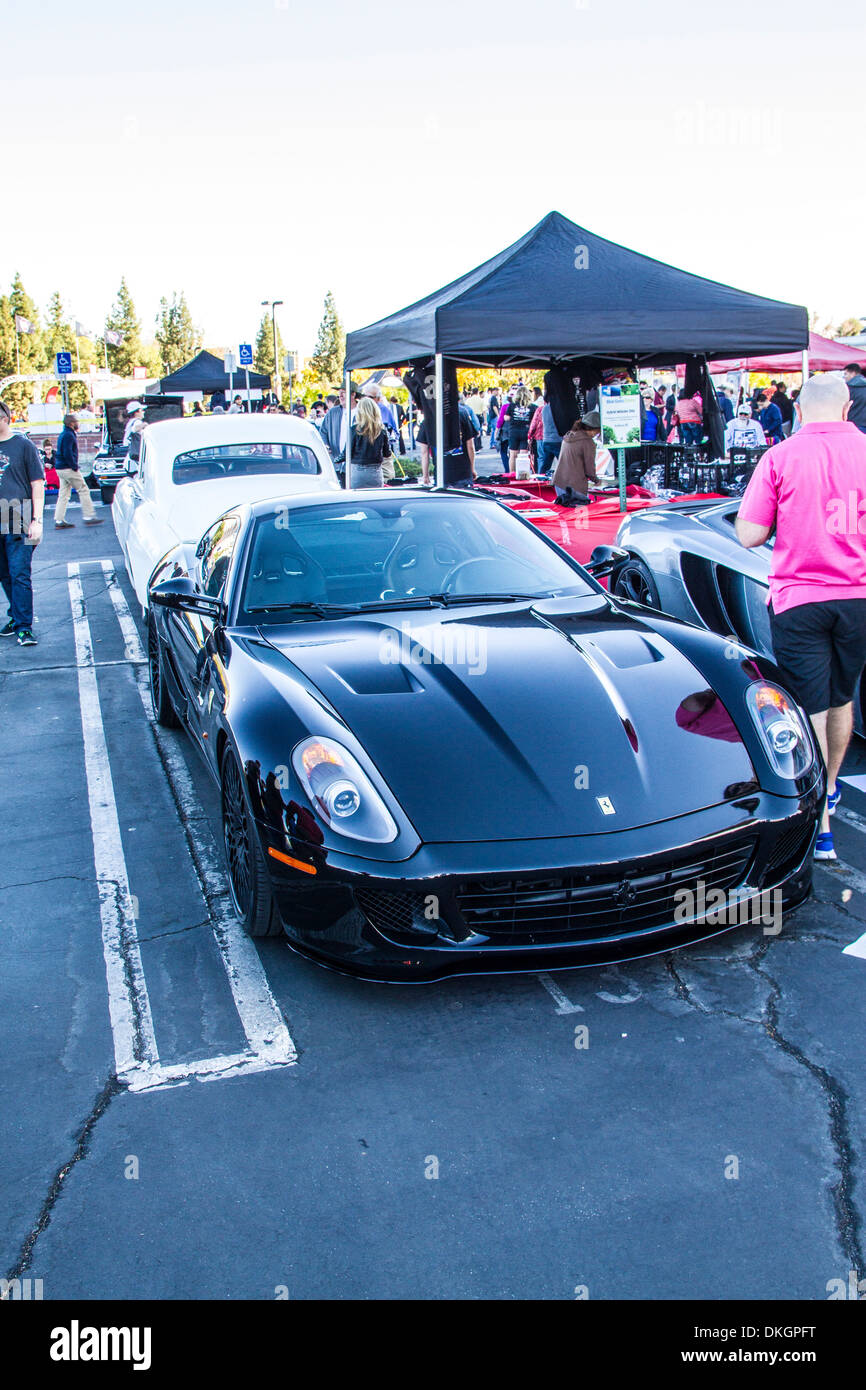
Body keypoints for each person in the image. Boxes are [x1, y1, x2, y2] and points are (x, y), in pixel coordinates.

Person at [736, 373, 866, 861]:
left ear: (800, 408)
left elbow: (749, 535)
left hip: (801, 598)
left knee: (807, 705)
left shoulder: (781, 456)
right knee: (840, 695)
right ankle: (831, 786)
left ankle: (822, 824)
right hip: (860, 598)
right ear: (847, 406)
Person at [0, 398, 44, 646]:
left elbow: (37, 484)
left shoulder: (23, 446)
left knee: (19, 574)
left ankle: (24, 626)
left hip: (18, 515)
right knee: (5, 574)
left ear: (5, 419)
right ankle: (16, 617)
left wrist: (37, 519)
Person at [54, 414, 103, 529]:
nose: (78, 423)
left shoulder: (63, 434)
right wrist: (74, 467)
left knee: (63, 494)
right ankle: (89, 516)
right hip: (68, 468)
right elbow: (68, 453)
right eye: (76, 422)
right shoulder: (69, 435)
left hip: (60, 468)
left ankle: (59, 520)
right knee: (83, 489)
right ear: (71, 423)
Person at [553, 410, 602, 505]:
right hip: (575, 486)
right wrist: (596, 480)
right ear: (595, 429)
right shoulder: (587, 442)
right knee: (578, 516)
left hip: (559, 481)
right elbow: (589, 469)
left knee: (565, 515)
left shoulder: (569, 435)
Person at [348, 397, 392, 488]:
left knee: (356, 499)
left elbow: (347, 452)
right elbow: (387, 453)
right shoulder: (381, 430)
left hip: (357, 471)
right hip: (375, 472)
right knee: (375, 499)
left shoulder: (354, 429)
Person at [503, 385, 536, 475]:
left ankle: (512, 474)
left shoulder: (512, 405)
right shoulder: (533, 407)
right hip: (526, 432)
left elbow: (506, 417)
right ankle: (523, 475)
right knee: (523, 456)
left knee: (513, 455)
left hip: (514, 431)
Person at [537, 395, 563, 475]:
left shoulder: (544, 408)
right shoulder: (558, 408)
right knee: (564, 464)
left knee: (545, 465)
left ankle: (540, 480)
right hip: (557, 439)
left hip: (546, 439)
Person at [842, 363, 866, 434]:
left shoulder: (848, 388)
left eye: (846, 374)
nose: (844, 377)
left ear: (853, 373)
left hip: (853, 425)